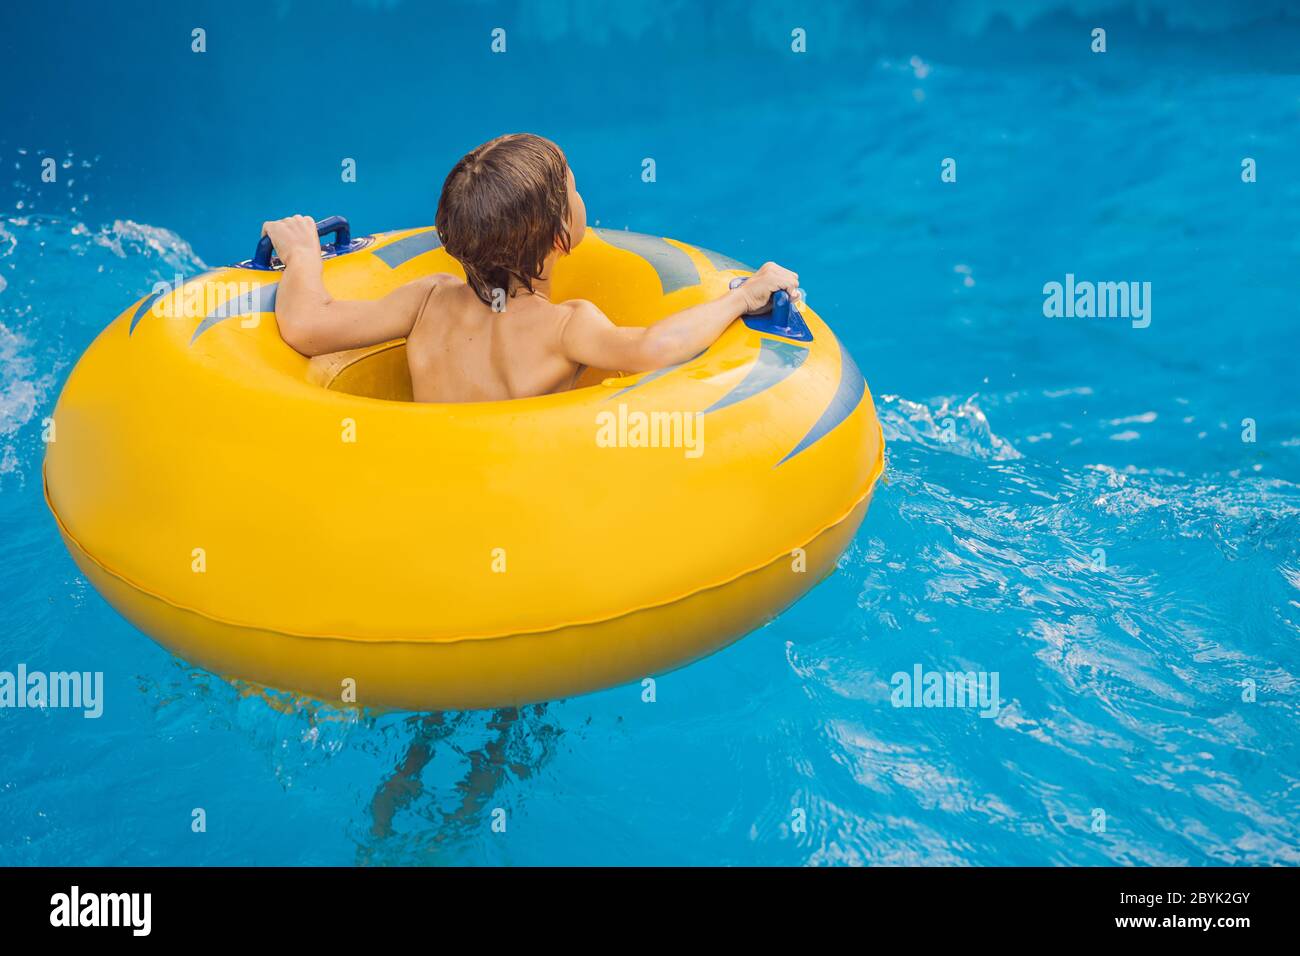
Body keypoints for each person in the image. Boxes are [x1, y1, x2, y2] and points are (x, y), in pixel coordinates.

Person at [266, 133, 800, 403]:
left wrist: (305, 256)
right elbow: (651, 349)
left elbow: (307, 326)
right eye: (573, 188)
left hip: (429, 482)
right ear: (562, 236)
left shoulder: (426, 299)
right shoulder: (567, 325)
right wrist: (741, 297)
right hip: (521, 500)